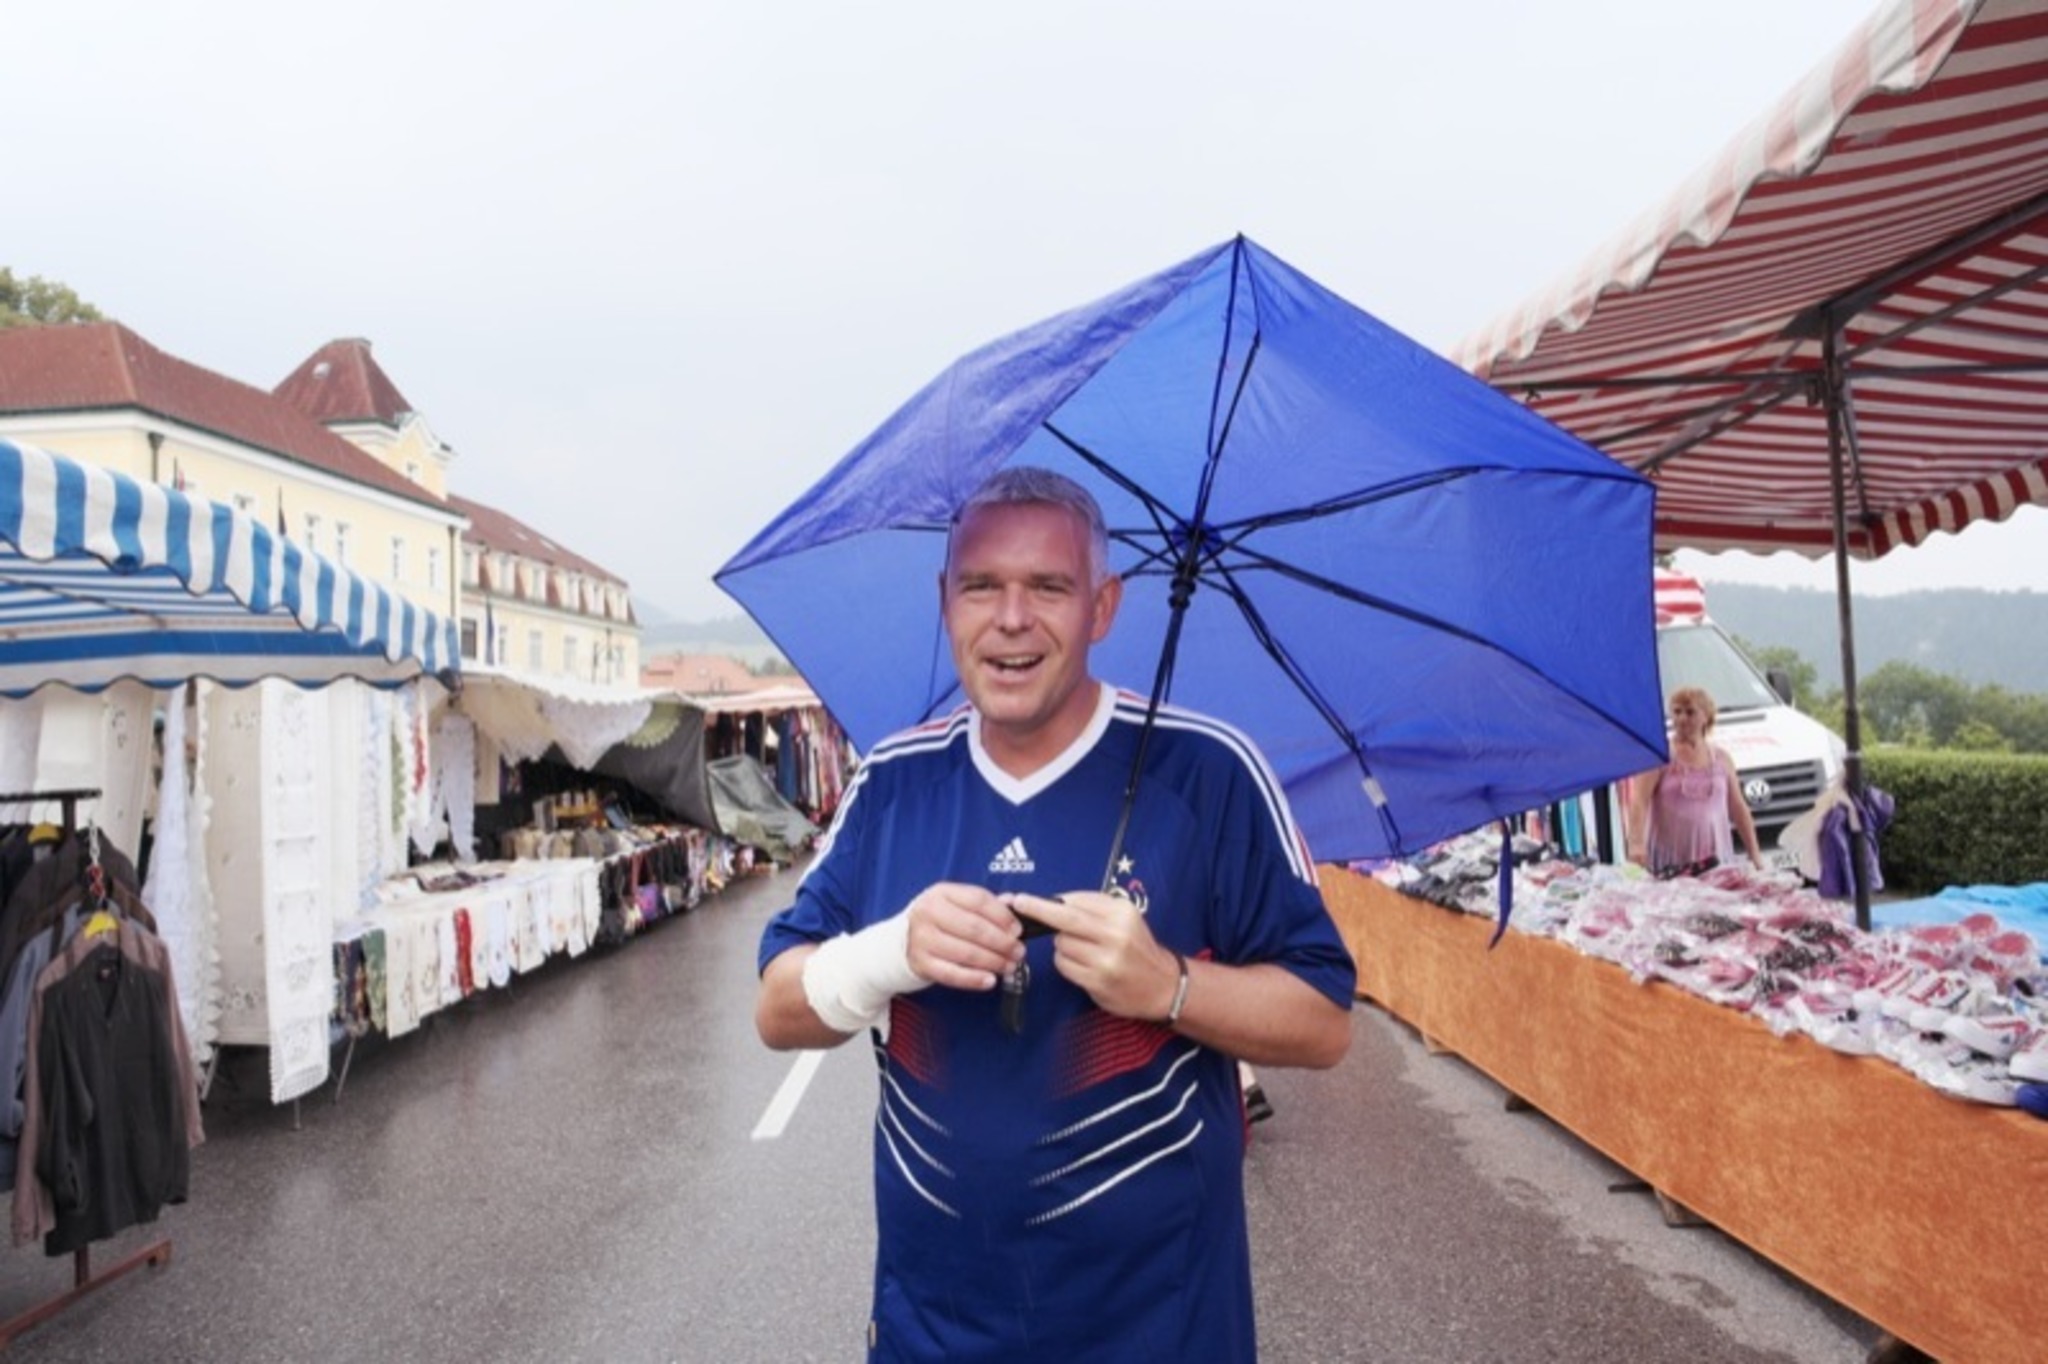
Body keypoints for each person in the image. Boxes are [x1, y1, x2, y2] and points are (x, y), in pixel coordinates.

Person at [755, 466, 1355, 1362]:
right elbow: (777, 1009)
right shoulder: (893, 783)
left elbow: (1325, 1022)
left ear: (1103, 607)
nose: (1011, 619)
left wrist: (1172, 987)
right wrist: (886, 954)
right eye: (981, 586)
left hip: (1166, 1333)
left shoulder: (1208, 772)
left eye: (1049, 587)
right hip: (933, 1336)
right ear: (944, 601)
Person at [1626, 686, 1765, 877]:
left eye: (1690, 712)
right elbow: (1638, 801)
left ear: (1706, 716)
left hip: (1716, 860)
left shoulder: (1722, 758)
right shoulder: (1660, 756)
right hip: (1670, 862)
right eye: (1677, 712)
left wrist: (1754, 854)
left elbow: (1738, 808)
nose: (1682, 718)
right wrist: (1636, 844)